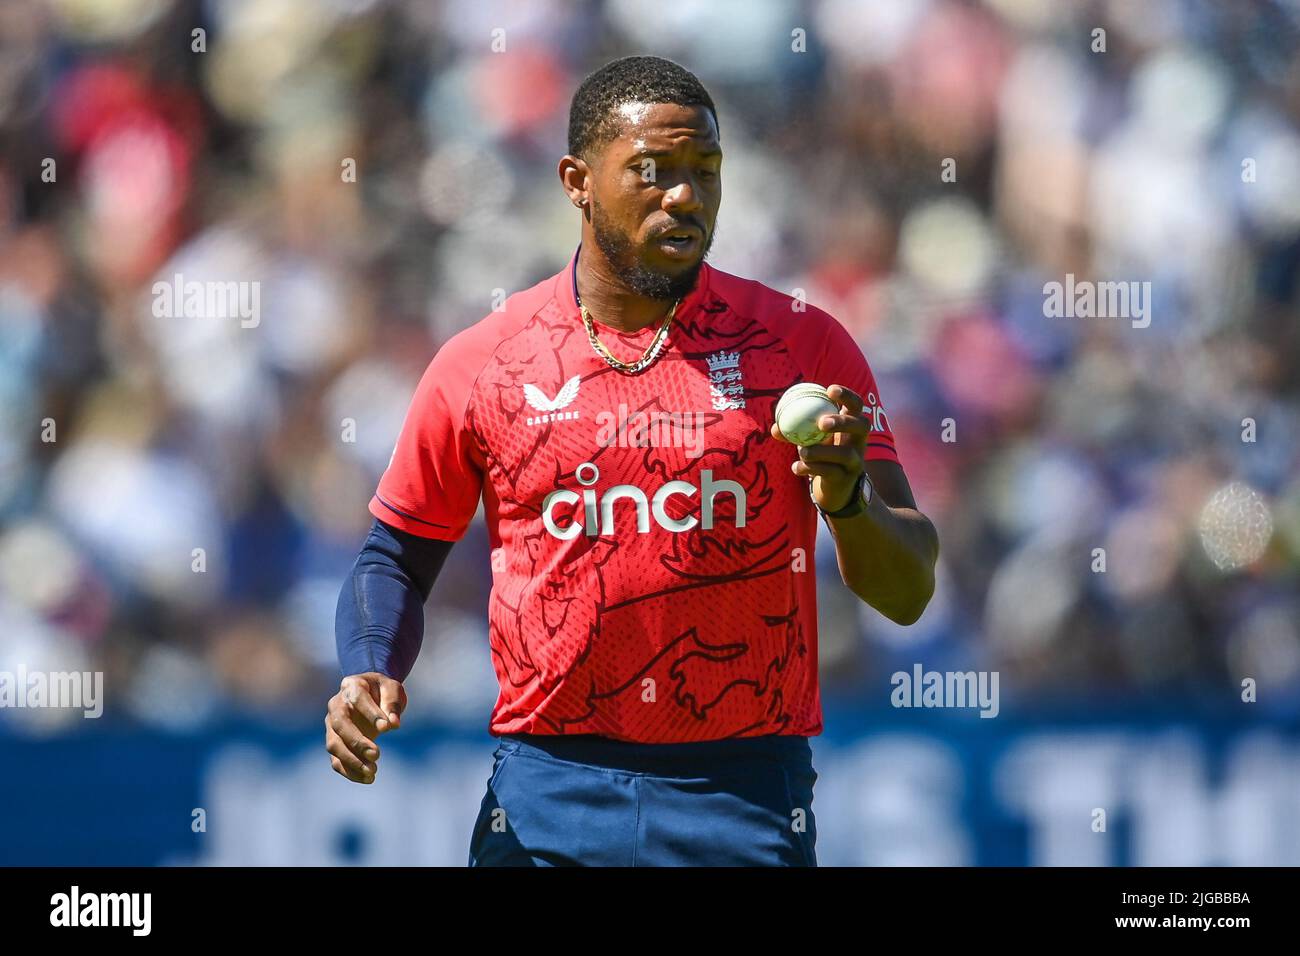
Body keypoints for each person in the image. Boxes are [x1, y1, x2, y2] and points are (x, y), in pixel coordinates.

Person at [326, 55, 939, 866]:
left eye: (705, 172)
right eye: (652, 171)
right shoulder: (488, 362)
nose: (684, 196)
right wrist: (368, 669)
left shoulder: (802, 346)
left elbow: (908, 591)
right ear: (577, 180)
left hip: (746, 798)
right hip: (545, 796)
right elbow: (395, 558)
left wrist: (850, 498)